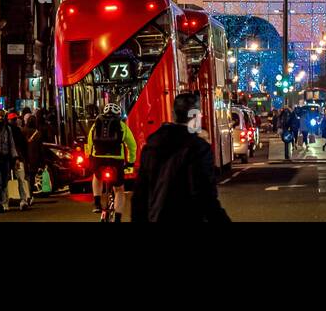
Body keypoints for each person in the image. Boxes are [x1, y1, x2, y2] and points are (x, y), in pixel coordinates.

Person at [131, 92, 231, 223]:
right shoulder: (198, 148)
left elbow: (140, 194)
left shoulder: (151, 145)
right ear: (196, 115)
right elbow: (205, 196)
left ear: (174, 115)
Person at [86, 102, 137, 222]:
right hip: (116, 160)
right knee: (119, 189)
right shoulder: (122, 125)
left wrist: (89, 156)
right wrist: (131, 161)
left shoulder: (96, 124)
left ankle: (97, 203)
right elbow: (132, 145)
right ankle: (118, 217)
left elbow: (90, 141)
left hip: (98, 158)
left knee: (97, 177)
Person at [0, 108, 19, 213]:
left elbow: (12, 144)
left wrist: (15, 158)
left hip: (5, 157)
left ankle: (1, 200)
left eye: (2, 116)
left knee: (4, 181)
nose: (0, 118)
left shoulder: (7, 129)